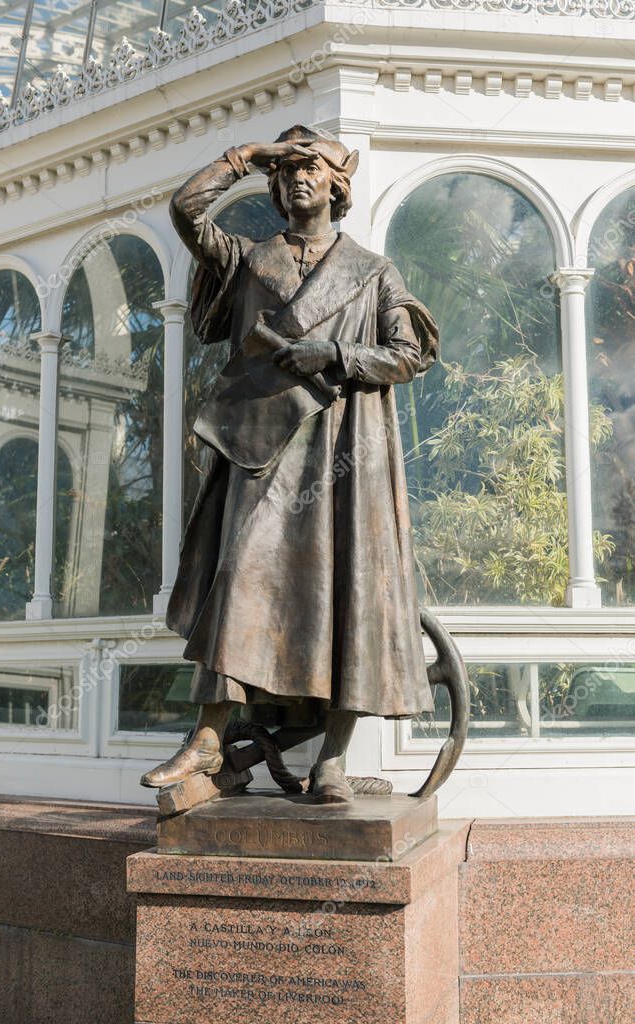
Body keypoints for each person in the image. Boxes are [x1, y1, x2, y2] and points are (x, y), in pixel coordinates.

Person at [141, 126, 439, 803]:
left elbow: (411, 353)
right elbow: (187, 211)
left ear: (338, 184)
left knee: (347, 594)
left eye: (310, 167)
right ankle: (209, 737)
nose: (295, 179)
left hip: (339, 456)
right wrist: (246, 158)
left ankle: (332, 757)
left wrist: (333, 356)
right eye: (285, 172)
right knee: (236, 577)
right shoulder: (249, 260)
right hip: (260, 450)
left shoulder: (372, 270)